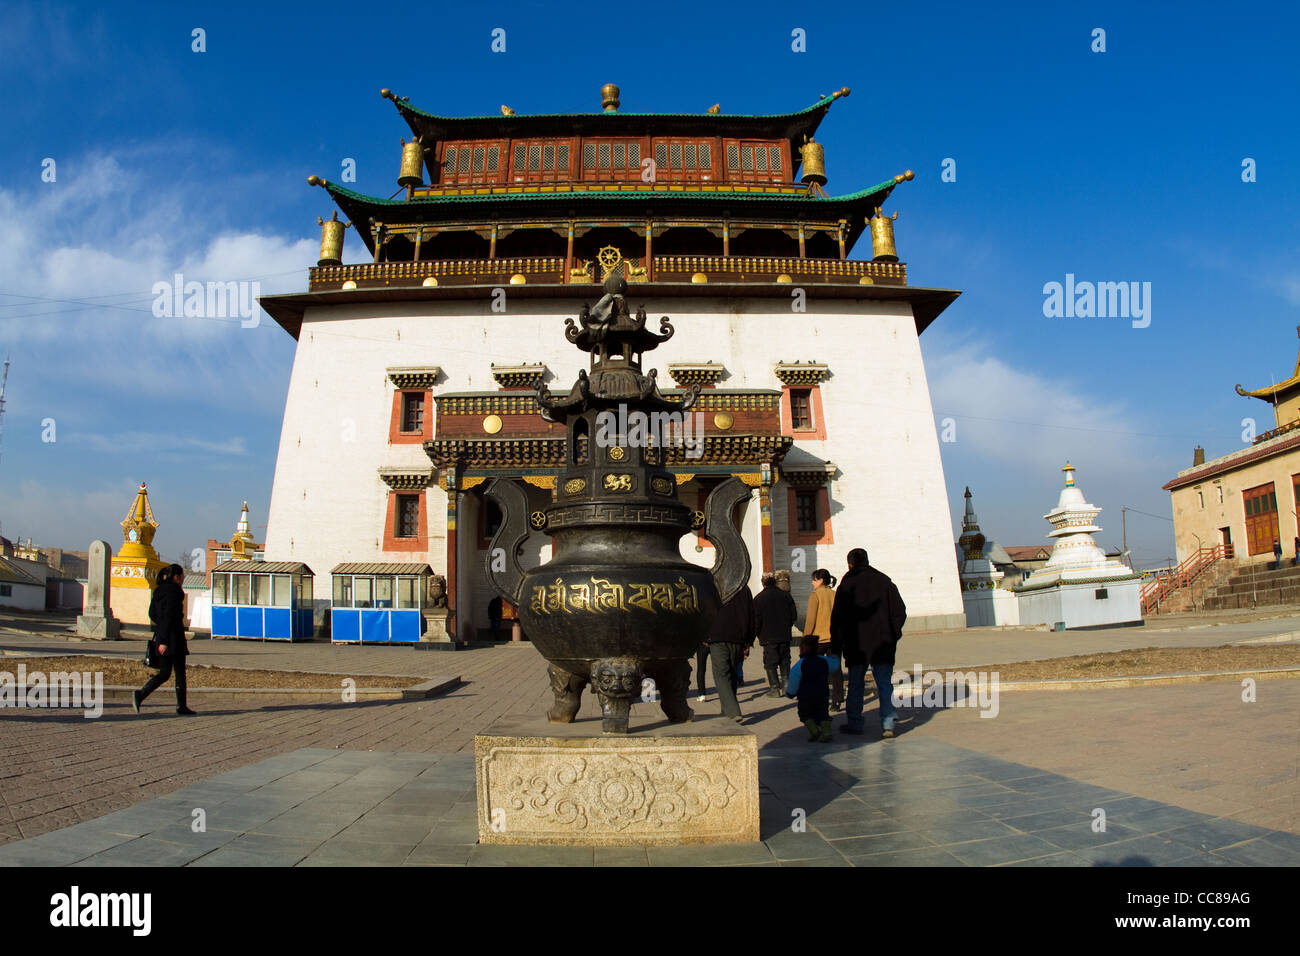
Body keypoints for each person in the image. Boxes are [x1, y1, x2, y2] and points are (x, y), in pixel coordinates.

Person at [831, 548, 906, 738]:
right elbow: (900, 612)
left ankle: (855, 722)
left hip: (856, 644)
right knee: (884, 683)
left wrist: (837, 646)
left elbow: (838, 619)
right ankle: (888, 724)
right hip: (883, 642)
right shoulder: (885, 582)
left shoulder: (846, 586)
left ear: (850, 564)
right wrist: (893, 633)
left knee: (856, 683)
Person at [133, 564, 194, 715]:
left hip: (163, 635)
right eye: (182, 576)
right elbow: (169, 616)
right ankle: (181, 706)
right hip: (173, 639)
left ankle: (141, 695)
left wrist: (161, 632)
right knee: (179, 673)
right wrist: (165, 640)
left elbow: (152, 614)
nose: (183, 579)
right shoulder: (174, 592)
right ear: (176, 577)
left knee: (165, 673)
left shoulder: (158, 591)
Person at [707, 586, 756, 721]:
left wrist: (703, 634)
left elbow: (704, 609)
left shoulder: (713, 583)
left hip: (717, 635)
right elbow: (752, 615)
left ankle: (733, 712)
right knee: (732, 674)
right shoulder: (744, 588)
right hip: (737, 638)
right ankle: (726, 712)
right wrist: (748, 641)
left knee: (722, 674)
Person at [753, 572, 799, 697]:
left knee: (770, 662)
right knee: (785, 660)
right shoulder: (785, 596)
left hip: (768, 636)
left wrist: (757, 634)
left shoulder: (758, 599)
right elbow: (793, 615)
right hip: (784, 635)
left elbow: (756, 620)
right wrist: (786, 626)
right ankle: (786, 686)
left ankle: (774, 688)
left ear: (763, 583)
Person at [803, 569, 842, 711]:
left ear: (820, 580)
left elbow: (811, 619)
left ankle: (819, 699)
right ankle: (837, 700)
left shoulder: (815, 596)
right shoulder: (834, 594)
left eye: (814, 580)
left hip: (819, 639)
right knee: (836, 670)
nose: (812, 582)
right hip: (835, 638)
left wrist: (806, 637)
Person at [786, 635, 831, 743]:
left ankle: (814, 731)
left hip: (806, 696)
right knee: (823, 714)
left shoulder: (800, 665)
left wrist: (790, 693)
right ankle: (826, 732)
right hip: (822, 694)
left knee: (805, 714)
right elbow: (834, 665)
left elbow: (794, 680)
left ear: (802, 649)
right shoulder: (824, 661)